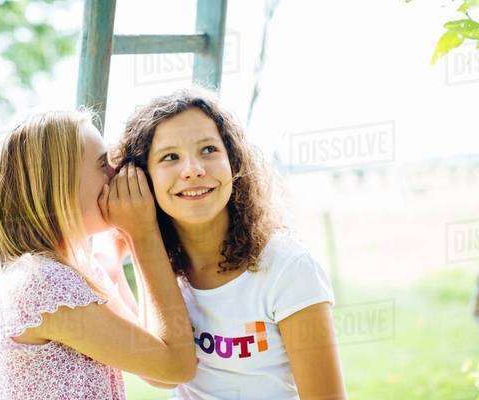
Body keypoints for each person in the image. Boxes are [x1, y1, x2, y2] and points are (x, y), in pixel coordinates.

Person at [0, 109, 196, 400]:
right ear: (59, 184)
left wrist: (131, 237)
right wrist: (143, 234)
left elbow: (156, 372)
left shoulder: (74, 270)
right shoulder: (40, 283)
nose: (116, 174)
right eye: (103, 164)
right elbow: (175, 366)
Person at [110, 88, 347, 399]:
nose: (193, 169)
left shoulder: (287, 267)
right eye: (170, 157)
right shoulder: (159, 259)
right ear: (142, 178)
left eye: (208, 150)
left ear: (233, 162)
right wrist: (138, 235)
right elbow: (159, 376)